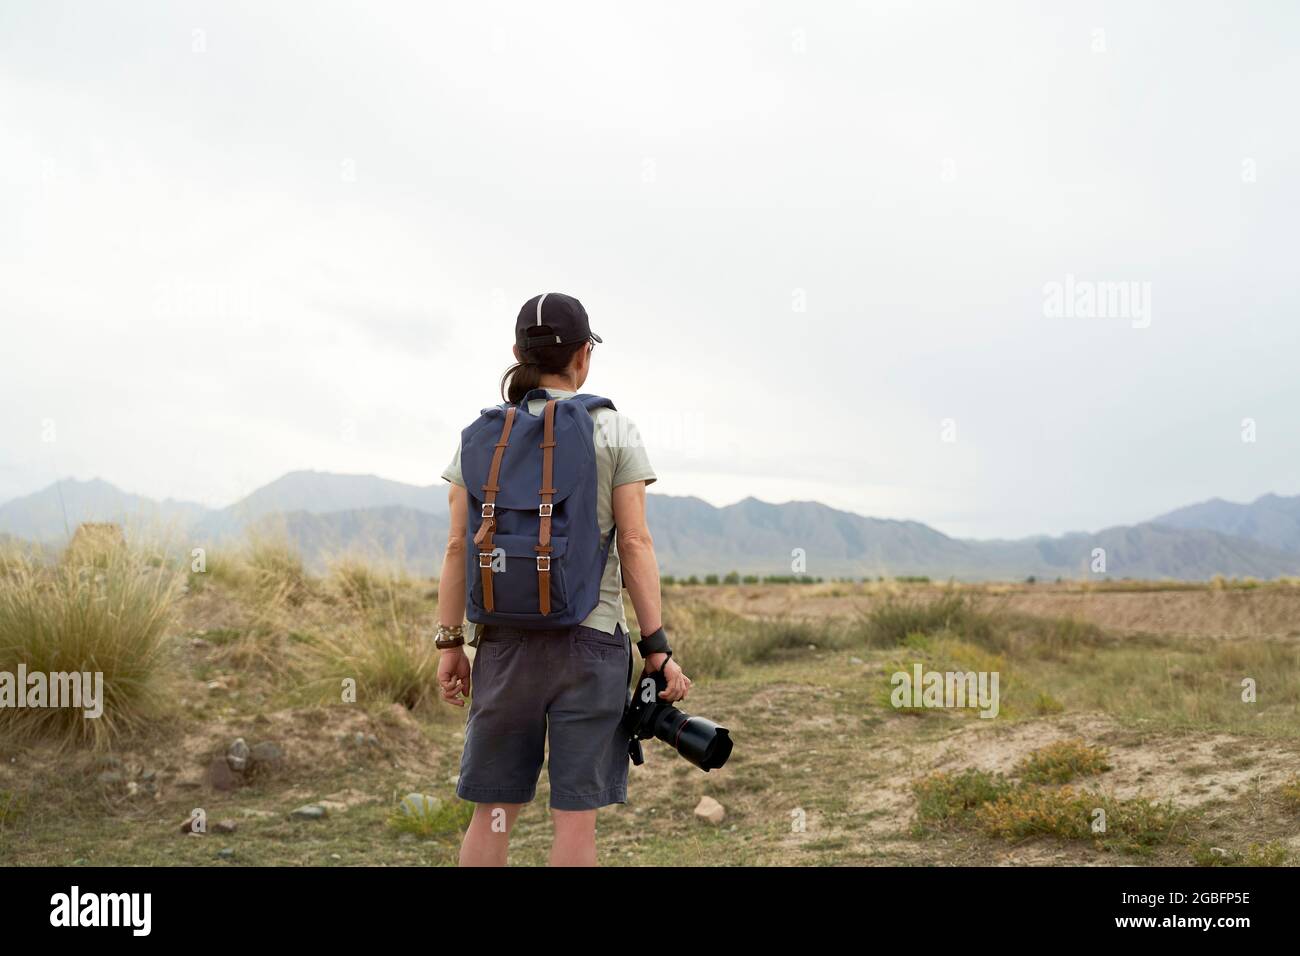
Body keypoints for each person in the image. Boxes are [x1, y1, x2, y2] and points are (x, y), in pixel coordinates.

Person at [434, 292, 691, 867]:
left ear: (517, 353)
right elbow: (635, 543)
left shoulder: (481, 437)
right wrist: (657, 651)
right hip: (591, 641)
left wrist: (452, 643)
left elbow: (457, 546)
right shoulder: (615, 429)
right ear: (584, 357)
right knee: (574, 826)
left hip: (503, 644)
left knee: (493, 814)